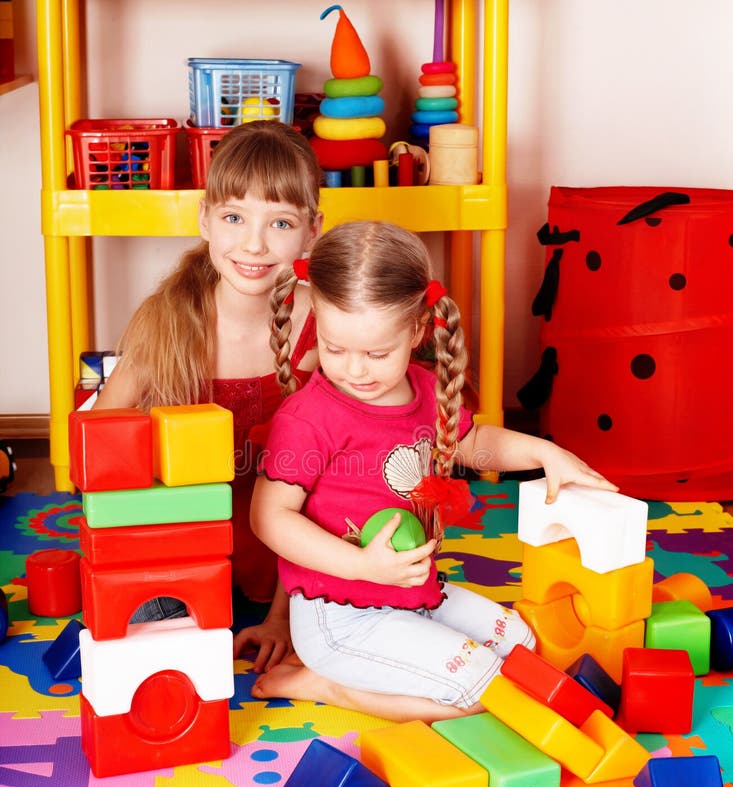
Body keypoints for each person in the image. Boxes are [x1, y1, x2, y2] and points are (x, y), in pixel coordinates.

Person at [250, 220, 619, 724]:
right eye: (335, 349)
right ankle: (327, 684)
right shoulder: (308, 419)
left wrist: (543, 454)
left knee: (525, 646)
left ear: (418, 331)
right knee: (485, 692)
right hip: (340, 614)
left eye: (377, 353)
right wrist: (362, 566)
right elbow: (270, 518)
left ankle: (386, 661)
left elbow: (473, 443)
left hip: (413, 595)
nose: (354, 370)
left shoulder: (423, 390)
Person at [94, 120, 323, 672]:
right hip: (187, 547)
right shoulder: (169, 321)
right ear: (205, 219)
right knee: (143, 645)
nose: (254, 243)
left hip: (300, 551)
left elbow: (333, 486)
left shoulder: (325, 326)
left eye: (281, 222)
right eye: (234, 217)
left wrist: (282, 617)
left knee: (366, 618)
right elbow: (102, 447)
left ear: (313, 230)